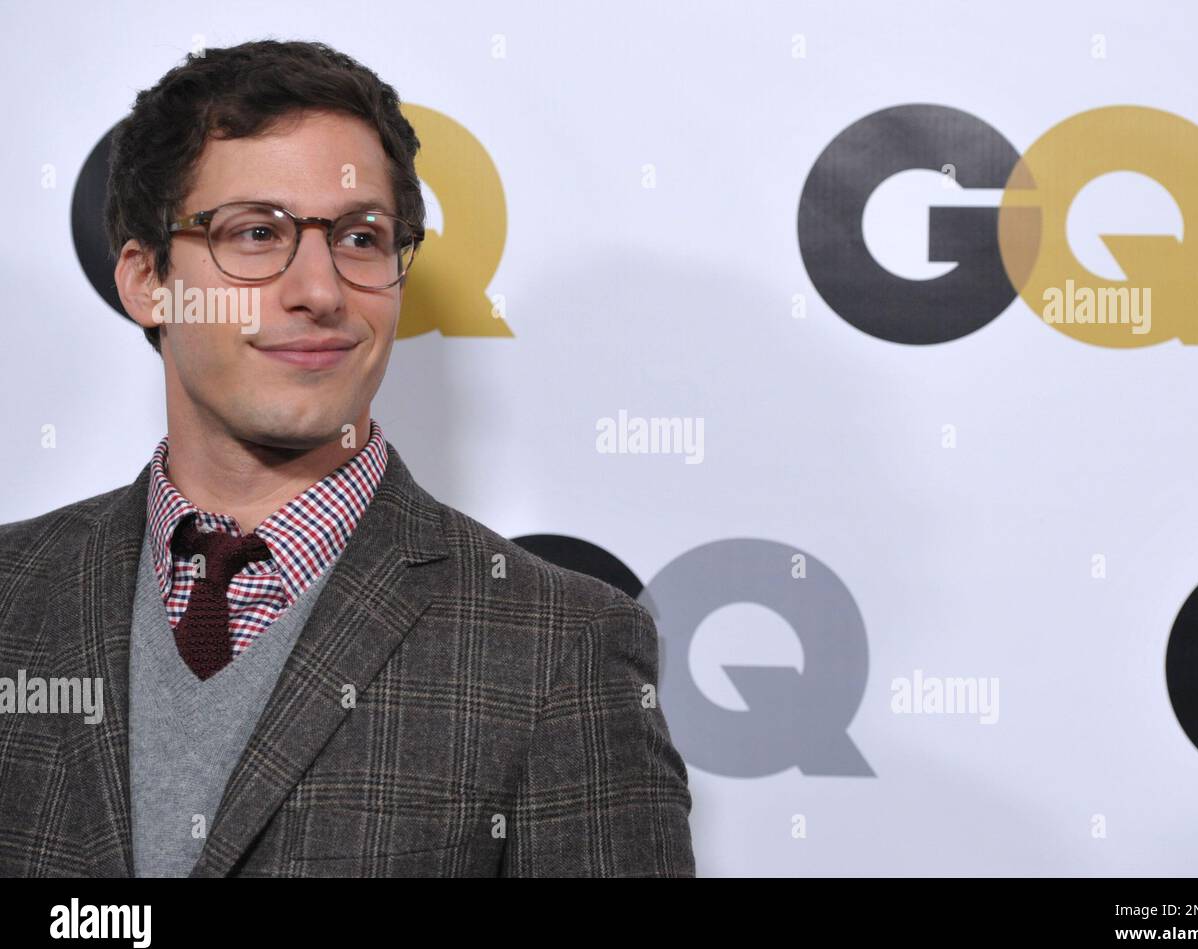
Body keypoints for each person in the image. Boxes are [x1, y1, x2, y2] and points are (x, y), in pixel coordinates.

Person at [0, 39, 694, 877]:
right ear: (148, 280)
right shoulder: (14, 592)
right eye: (256, 234)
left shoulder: (562, 646)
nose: (321, 290)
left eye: (362, 238)